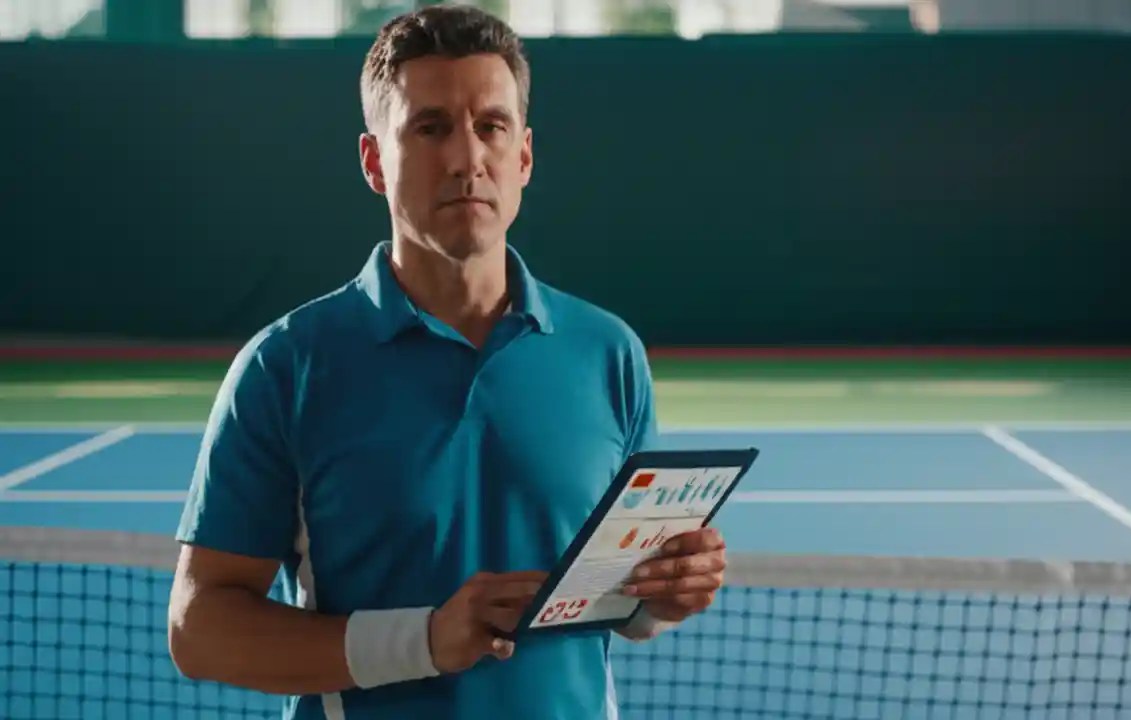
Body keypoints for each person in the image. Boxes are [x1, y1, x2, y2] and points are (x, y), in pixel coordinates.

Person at [166, 5, 729, 719]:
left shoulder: (608, 353)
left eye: (491, 126)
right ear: (374, 161)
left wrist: (663, 595)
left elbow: (625, 605)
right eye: (430, 128)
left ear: (523, 155)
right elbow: (200, 630)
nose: (467, 158)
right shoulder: (284, 368)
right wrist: (423, 639)